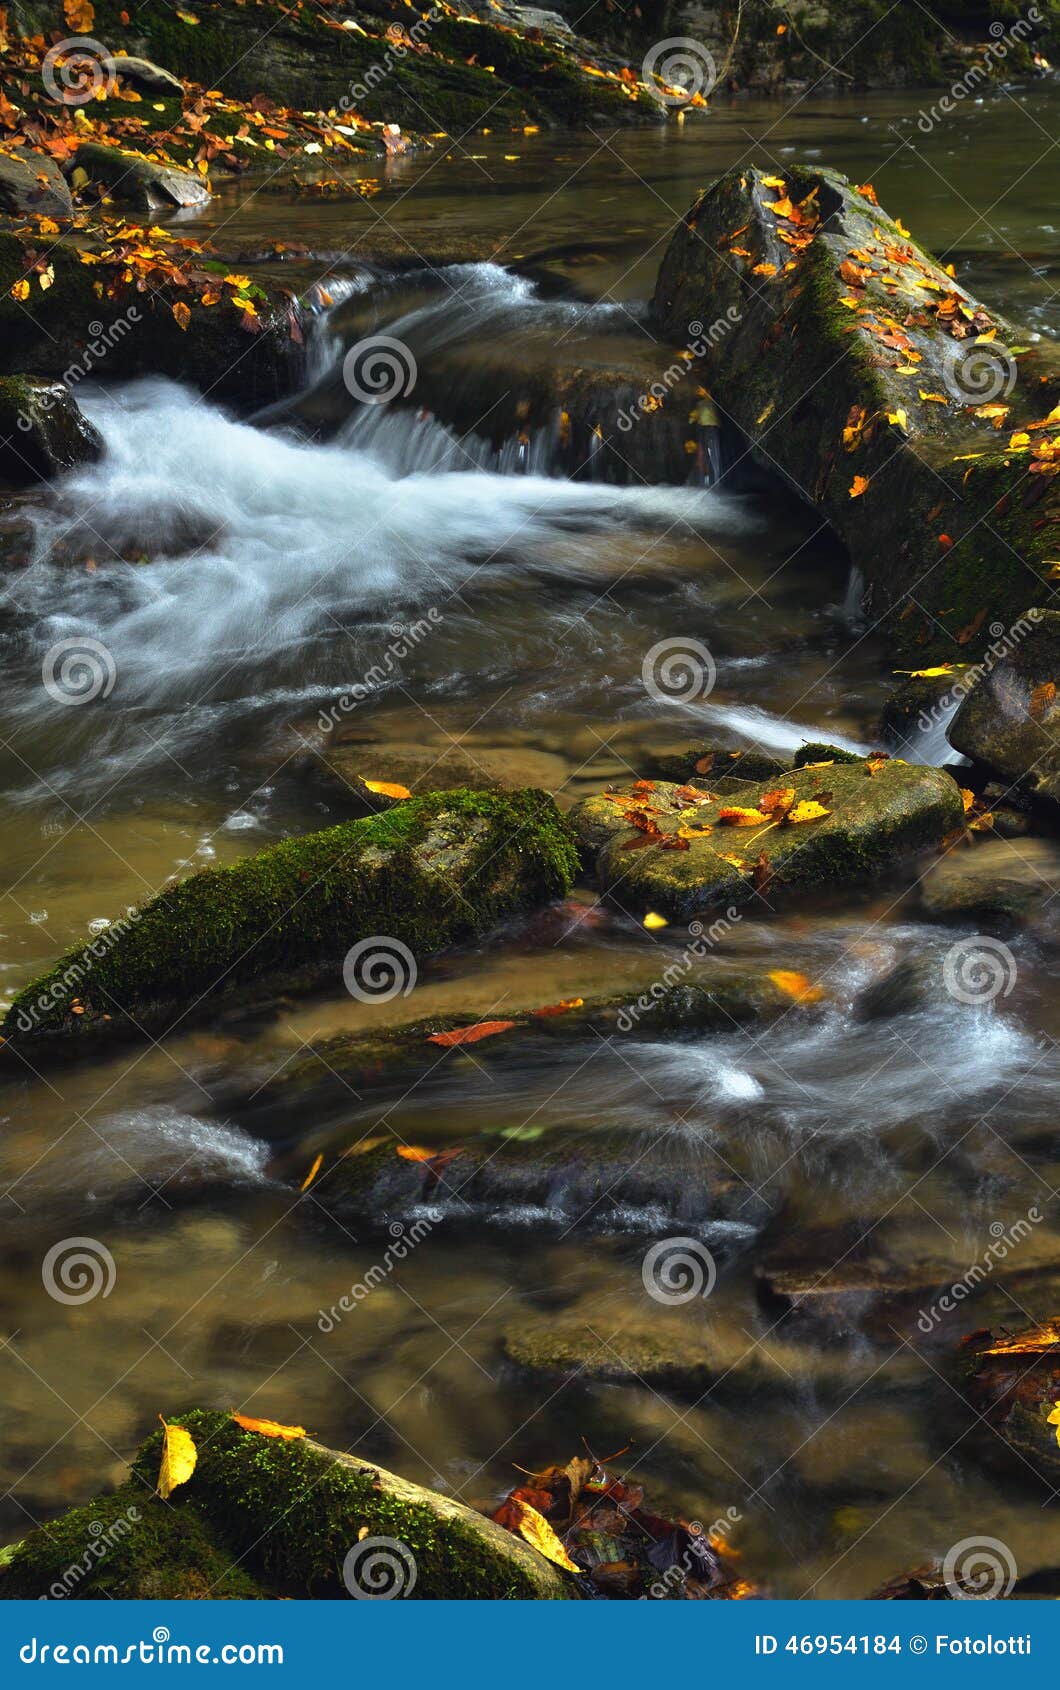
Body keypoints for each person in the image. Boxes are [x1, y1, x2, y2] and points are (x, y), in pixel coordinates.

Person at [692, 392, 723, 486]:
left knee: (706, 454)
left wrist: (690, 421)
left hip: (705, 429)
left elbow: (694, 417)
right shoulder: (713, 403)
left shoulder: (700, 404)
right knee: (714, 454)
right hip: (713, 429)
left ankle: (709, 479)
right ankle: (716, 479)